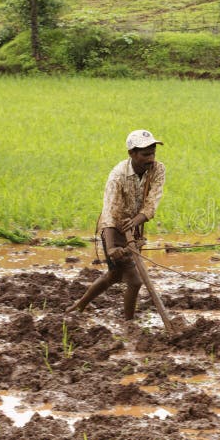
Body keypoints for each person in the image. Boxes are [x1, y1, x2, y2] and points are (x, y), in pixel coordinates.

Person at [66, 129, 166, 319]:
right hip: (112, 230)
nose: (150, 158)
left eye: (153, 153)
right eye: (145, 154)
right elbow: (110, 213)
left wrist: (136, 222)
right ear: (132, 154)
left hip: (135, 228)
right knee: (135, 281)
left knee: (114, 275)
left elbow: (152, 203)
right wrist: (111, 247)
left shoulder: (158, 169)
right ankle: (129, 324)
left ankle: (79, 306)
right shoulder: (118, 176)